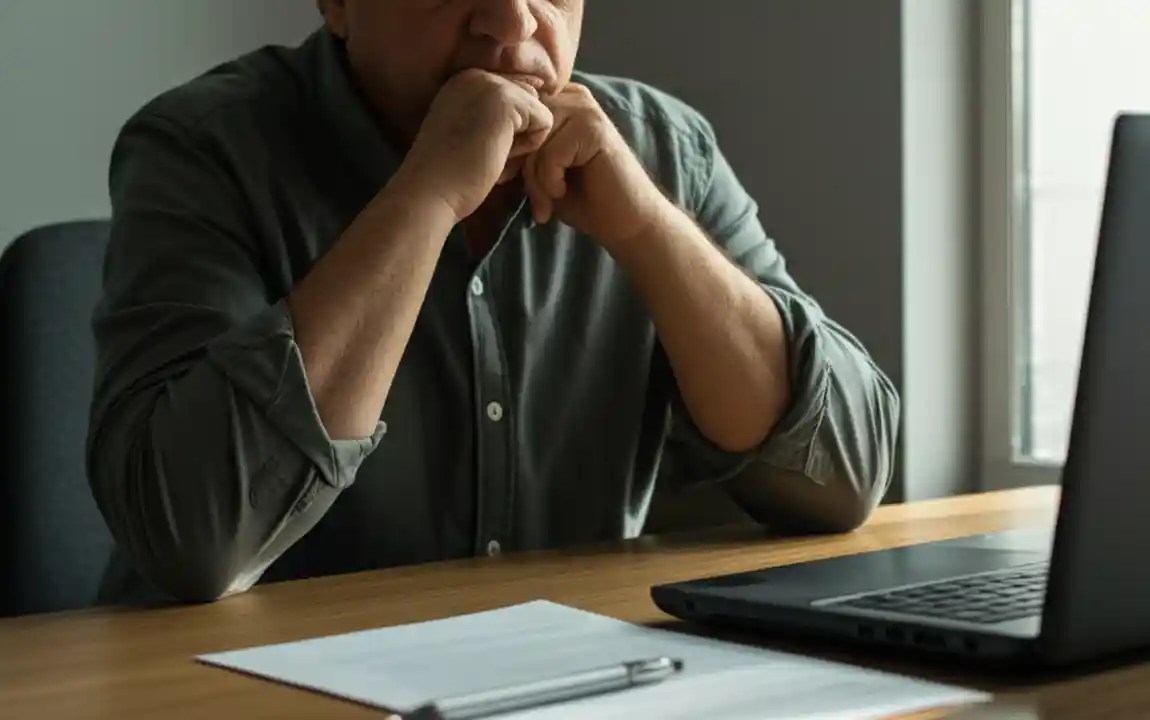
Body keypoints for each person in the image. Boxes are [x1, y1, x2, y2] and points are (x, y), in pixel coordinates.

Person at [88, 0, 900, 604]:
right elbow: (192, 541)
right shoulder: (203, 148)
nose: (514, 24)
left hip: (559, 686)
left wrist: (650, 230)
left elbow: (845, 477)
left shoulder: (659, 146)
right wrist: (426, 196)